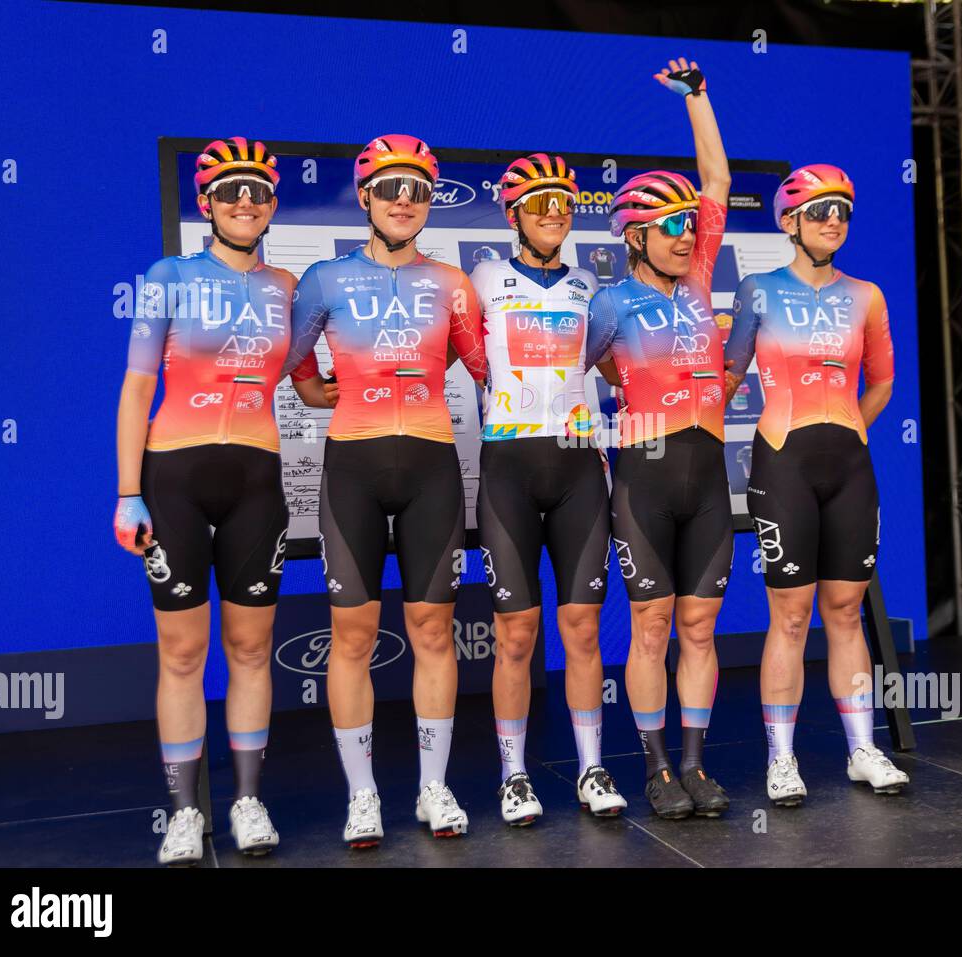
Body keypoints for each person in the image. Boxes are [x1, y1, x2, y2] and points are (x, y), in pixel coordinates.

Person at [115, 137, 324, 865]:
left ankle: (246, 801)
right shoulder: (168, 275)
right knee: (181, 651)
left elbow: (311, 384)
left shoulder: (291, 287)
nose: (245, 202)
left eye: (259, 192)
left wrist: (396, 377)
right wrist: (127, 493)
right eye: (231, 190)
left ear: (271, 206)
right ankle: (181, 812)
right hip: (173, 478)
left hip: (257, 484)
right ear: (206, 202)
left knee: (250, 648)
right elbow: (138, 388)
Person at [283, 135, 490, 843]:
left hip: (433, 463)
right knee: (353, 634)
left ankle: (433, 789)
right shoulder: (323, 279)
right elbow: (296, 364)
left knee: (434, 631)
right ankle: (363, 794)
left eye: (420, 191)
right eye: (392, 188)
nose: (406, 201)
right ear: (366, 196)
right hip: (353, 469)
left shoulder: (454, 285)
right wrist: (313, 390)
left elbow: (491, 365)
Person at [724, 163, 911, 806]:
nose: (834, 220)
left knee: (844, 612)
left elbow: (884, 380)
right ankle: (782, 760)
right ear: (789, 222)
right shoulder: (757, 291)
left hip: (851, 465)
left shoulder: (868, 295)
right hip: (782, 464)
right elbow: (726, 377)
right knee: (792, 615)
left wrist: (851, 423)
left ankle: (862, 748)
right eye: (821, 210)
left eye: (842, 211)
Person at [585, 58, 734, 819]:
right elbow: (564, 380)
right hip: (643, 472)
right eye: (670, 226)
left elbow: (715, 180)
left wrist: (698, 100)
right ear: (635, 236)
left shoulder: (702, 280)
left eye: (688, 226)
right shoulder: (609, 303)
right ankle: (652, 767)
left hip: (708, 471)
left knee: (700, 624)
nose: (686, 234)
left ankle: (696, 764)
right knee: (651, 624)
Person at [470, 152, 627, 824]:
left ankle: (592, 767)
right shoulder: (481, 279)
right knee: (516, 634)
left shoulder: (590, 287)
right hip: (508, 464)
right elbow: (444, 347)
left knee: (582, 628)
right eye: (540, 205)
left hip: (576, 466)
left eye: (564, 205)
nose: (554, 216)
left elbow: (620, 369)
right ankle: (514, 775)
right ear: (513, 214)